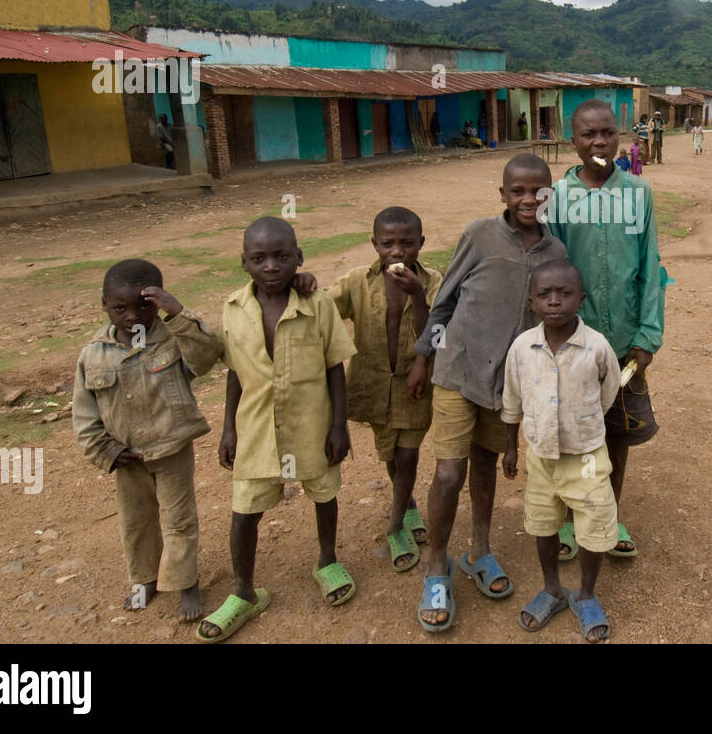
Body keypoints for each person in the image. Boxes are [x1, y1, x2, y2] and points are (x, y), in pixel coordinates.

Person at [407, 154, 567, 632]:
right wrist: (422, 355)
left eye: (538, 191)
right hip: (459, 371)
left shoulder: (556, 252)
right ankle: (438, 565)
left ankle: (480, 550)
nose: (527, 199)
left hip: (507, 384)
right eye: (517, 190)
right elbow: (446, 299)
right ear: (502, 194)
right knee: (450, 473)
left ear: (549, 195)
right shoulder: (478, 235)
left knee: (484, 468)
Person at [197, 217, 358, 642]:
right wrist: (228, 429)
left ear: (298, 258)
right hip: (255, 429)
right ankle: (245, 591)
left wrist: (339, 426)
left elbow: (334, 367)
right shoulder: (234, 309)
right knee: (244, 509)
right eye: (259, 258)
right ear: (244, 263)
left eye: (282, 256)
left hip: (312, 423)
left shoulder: (317, 303)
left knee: (324, 493)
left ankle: (326, 559)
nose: (271, 265)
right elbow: (234, 372)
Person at [72, 259, 222, 625]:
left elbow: (208, 357)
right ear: (104, 305)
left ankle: (186, 583)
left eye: (144, 306)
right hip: (126, 457)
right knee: (136, 522)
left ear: (158, 303)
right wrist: (105, 450)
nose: (132, 316)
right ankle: (145, 580)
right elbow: (84, 412)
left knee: (178, 519)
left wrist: (178, 315)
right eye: (119, 308)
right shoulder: (94, 353)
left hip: (171, 449)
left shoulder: (173, 338)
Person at [547, 99, 664, 561]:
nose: (599, 142)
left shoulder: (639, 194)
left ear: (620, 137)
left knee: (617, 431)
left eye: (607, 133)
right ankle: (567, 519)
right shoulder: (557, 198)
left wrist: (647, 335)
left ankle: (608, 515)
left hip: (623, 342)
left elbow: (650, 269)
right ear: (572, 140)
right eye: (588, 134)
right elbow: (549, 272)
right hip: (572, 341)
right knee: (568, 431)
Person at [504, 261, 619, 642]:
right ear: (532, 300)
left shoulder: (596, 347)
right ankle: (552, 587)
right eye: (544, 294)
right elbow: (513, 399)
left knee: (593, 524)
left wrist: (582, 426)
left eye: (564, 293)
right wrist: (510, 449)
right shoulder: (522, 347)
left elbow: (608, 393)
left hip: (585, 458)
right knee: (542, 522)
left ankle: (585, 594)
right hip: (539, 457)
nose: (554, 301)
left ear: (581, 299)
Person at [326, 207, 442, 572]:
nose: (397, 252)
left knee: (408, 456)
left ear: (420, 244)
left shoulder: (434, 281)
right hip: (373, 385)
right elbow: (324, 311)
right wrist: (305, 286)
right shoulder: (357, 281)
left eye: (406, 243)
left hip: (415, 383)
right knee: (390, 454)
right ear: (374, 244)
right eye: (388, 244)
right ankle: (405, 504)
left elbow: (439, 333)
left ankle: (394, 527)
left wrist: (419, 296)